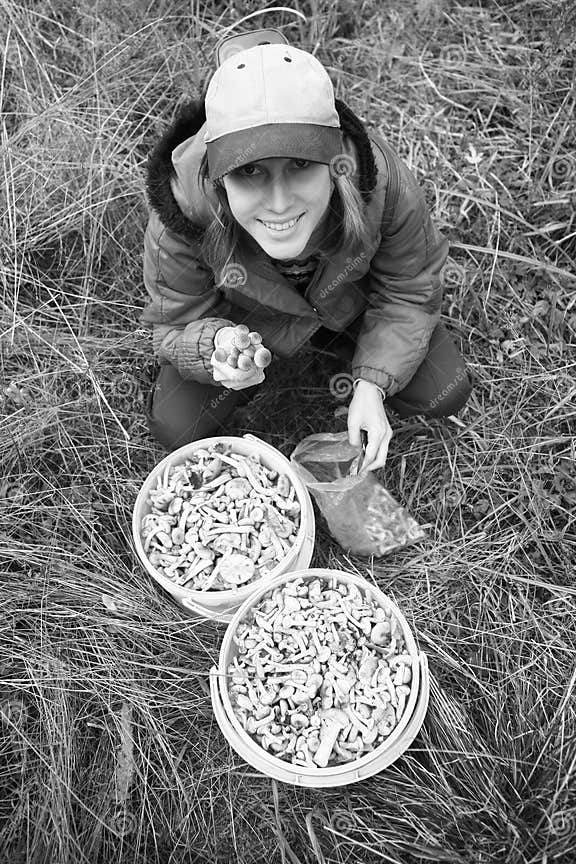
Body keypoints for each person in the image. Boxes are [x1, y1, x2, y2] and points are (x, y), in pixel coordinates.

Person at [141, 34, 472, 470]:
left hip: (351, 305)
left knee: (443, 390)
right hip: (250, 323)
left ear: (334, 163)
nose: (279, 203)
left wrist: (371, 386)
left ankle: (347, 348)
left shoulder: (380, 182)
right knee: (176, 424)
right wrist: (216, 349)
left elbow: (410, 287)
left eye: (300, 165)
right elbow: (172, 326)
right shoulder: (181, 215)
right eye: (249, 172)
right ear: (217, 178)